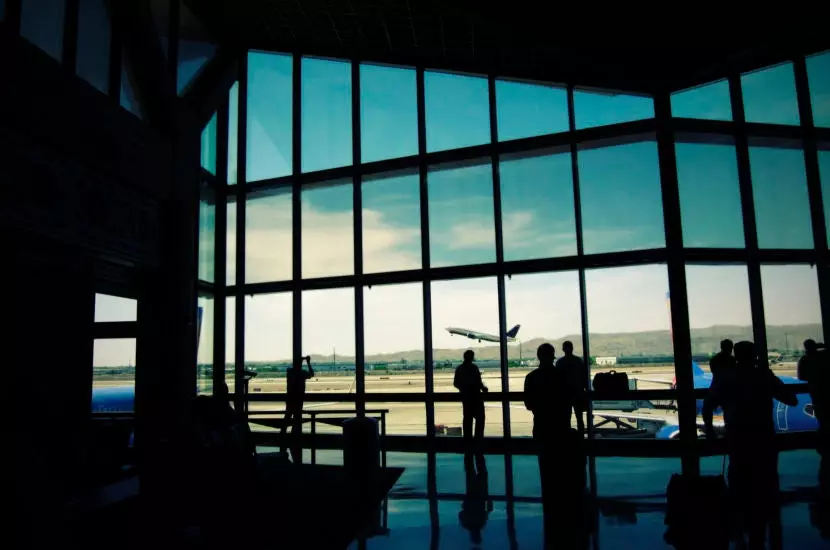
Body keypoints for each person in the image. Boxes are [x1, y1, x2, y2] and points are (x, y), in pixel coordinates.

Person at [703, 340, 797, 549]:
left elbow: (708, 406)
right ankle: (762, 531)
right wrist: (771, 379)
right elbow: (792, 400)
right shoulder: (762, 375)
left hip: (737, 436)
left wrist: (710, 432)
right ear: (754, 355)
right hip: (763, 436)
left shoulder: (725, 376)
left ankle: (741, 530)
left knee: (738, 481)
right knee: (767, 482)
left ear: (735, 355)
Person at [525, 343, 588, 548]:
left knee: (547, 473)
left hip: (542, 429)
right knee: (564, 475)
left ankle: (551, 514)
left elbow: (528, 404)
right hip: (562, 430)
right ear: (553, 356)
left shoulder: (532, 378)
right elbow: (572, 397)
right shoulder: (563, 376)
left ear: (538, 356)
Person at [454, 350, 488, 466]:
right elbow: (479, 383)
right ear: (472, 357)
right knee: (480, 421)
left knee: (467, 421)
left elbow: (455, 383)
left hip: (466, 399)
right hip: (476, 398)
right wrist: (483, 388)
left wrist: (463, 389)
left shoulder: (459, 369)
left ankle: (468, 444)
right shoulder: (474, 368)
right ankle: (478, 444)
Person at [281, 355, 314, 461]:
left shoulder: (289, 371)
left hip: (290, 399)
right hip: (298, 400)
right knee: (296, 420)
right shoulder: (301, 373)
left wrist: (302, 360)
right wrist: (307, 362)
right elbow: (311, 374)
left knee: (287, 418)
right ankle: (292, 438)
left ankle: (283, 438)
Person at [556, 340, 588, 435]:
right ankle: (581, 437)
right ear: (572, 348)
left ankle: (567, 438)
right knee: (579, 418)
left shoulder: (560, 362)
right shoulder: (578, 361)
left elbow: (557, 379)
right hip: (577, 393)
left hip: (565, 394)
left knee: (566, 418)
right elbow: (584, 377)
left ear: (563, 349)